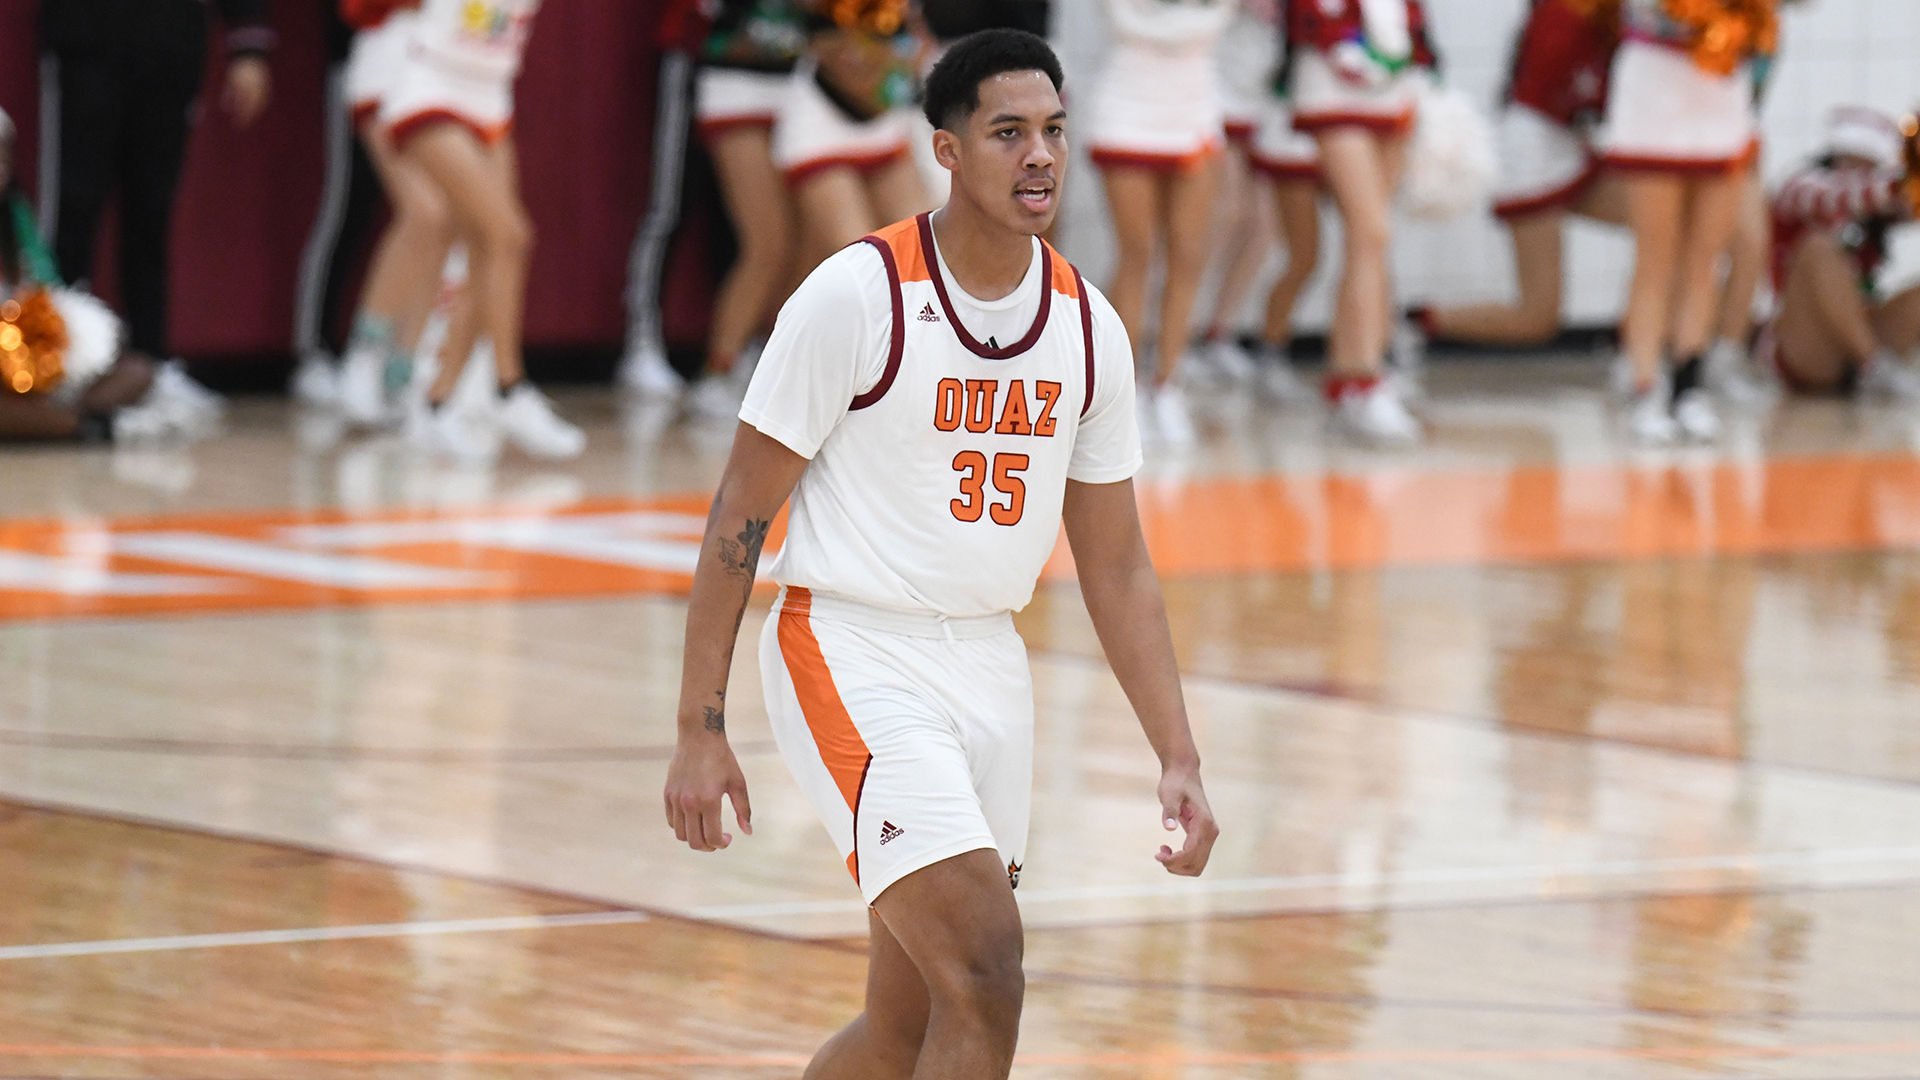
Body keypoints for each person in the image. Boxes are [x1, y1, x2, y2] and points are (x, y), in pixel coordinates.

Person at [662, 30, 1218, 1078]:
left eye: (1053, 131)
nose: (1040, 155)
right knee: (989, 966)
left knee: (907, 1024)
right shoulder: (855, 296)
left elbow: (1118, 565)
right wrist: (701, 728)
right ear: (947, 153)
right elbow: (739, 519)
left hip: (990, 667)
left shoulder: (1090, 330)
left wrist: (1176, 753)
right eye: (1009, 133)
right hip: (849, 646)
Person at [1415, 0, 1769, 401]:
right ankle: (1413, 325)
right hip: (1535, 153)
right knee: (1538, 316)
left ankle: (1649, 358)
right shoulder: (1567, 10)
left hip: (1581, 151)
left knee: (1679, 236)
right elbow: (1552, 83)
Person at [37, 0, 271, 420]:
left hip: (170, 42)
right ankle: (55, 364)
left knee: (152, 210)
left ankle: (152, 362)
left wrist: (247, 46)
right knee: (74, 205)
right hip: (87, 41)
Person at [377, 0, 587, 460]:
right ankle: (508, 388)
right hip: (431, 83)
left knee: (492, 247)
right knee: (508, 234)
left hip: (491, 95)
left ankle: (437, 402)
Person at [1594, 0, 1775, 444]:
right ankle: (1645, 387)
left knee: (1705, 257)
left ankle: (1689, 386)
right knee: (1656, 255)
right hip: (1655, 80)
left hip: (1720, 81)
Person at [624, 0, 809, 417]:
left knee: (805, 242)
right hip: (734, 79)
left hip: (799, 85)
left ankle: (766, 361)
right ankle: (716, 371)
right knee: (767, 240)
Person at [1287, 0, 1436, 444]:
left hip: (1394, 86)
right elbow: (1311, 17)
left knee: (1366, 241)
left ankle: (1348, 376)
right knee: (1372, 231)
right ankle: (1368, 379)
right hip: (1333, 83)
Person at [1086, 0, 1234, 445]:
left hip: (1195, 107)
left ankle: (1168, 387)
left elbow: (1214, 22)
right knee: (1136, 256)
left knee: (1188, 257)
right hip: (1127, 107)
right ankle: (1121, 396)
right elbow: (1126, 20)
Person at [0, 108, 180, 442]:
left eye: (2, 160)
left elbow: (48, 292)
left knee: (138, 370)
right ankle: (91, 426)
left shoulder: (19, 221)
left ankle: (67, 420)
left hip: (33, 372)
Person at [1764, 107, 1920, 399]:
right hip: (1805, 347)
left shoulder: (1882, 204)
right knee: (1818, 248)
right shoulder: (1800, 186)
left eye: (1865, 165)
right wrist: (1902, 181)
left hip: (1856, 339)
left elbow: (1902, 204)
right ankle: (1873, 366)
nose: (1855, 173)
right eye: (1848, 161)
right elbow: (1840, 195)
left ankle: (1873, 367)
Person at [775, 2, 934, 272]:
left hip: (884, 128)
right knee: (862, 264)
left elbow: (916, 46)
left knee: (923, 251)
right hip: (821, 127)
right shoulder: (829, 26)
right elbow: (833, 51)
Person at [1192, 0, 1281, 386]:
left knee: (1264, 223)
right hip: (1215, 86)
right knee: (1222, 214)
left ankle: (1218, 331)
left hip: (1266, 96)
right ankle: (1178, 336)